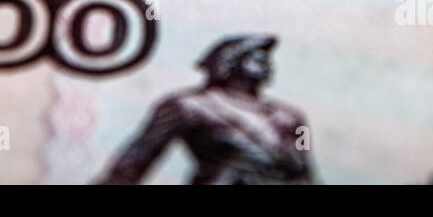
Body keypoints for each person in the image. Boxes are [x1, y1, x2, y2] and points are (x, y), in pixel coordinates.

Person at [97, 35, 314, 185]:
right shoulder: (190, 105)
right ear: (229, 60)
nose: (268, 65)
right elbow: (137, 159)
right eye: (257, 58)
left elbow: (303, 172)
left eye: (268, 60)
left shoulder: (289, 116)